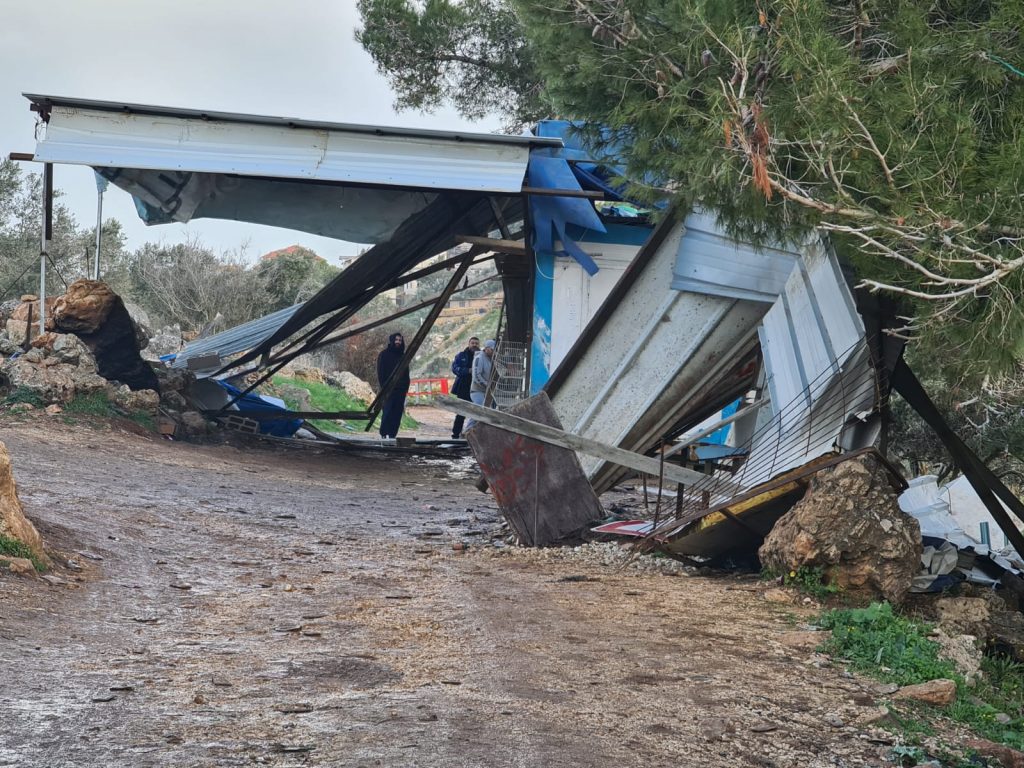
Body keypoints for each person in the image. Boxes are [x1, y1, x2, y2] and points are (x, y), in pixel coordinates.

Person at [376, 332, 411, 439]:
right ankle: (383, 433)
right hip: (388, 389)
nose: (398, 342)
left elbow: (406, 373)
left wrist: (405, 387)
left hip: (400, 390)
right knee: (387, 411)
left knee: (397, 413)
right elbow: (380, 372)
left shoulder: (403, 356)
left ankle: (392, 435)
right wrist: (384, 387)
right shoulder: (384, 355)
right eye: (396, 340)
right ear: (392, 340)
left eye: (400, 340)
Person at [450, 336, 479, 439]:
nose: (474, 345)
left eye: (476, 343)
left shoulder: (481, 356)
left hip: (477, 388)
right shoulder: (461, 355)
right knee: (461, 412)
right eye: (473, 343)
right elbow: (455, 369)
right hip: (463, 387)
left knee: (476, 412)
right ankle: (456, 434)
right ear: (469, 344)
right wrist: (468, 371)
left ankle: (473, 435)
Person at [466, 339, 497, 431]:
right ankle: (467, 430)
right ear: (487, 349)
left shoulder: (491, 358)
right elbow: (476, 375)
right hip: (478, 390)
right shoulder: (479, 358)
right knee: (479, 410)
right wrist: (486, 384)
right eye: (492, 350)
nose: (493, 352)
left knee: (487, 413)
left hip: (487, 390)